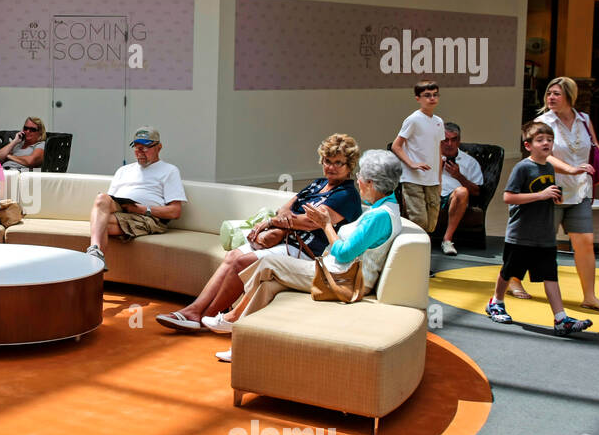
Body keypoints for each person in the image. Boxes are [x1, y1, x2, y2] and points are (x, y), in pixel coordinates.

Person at [204, 149, 404, 360]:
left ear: (371, 182)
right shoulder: (388, 209)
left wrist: (325, 225)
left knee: (268, 263)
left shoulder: (379, 217)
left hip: (341, 280)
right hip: (337, 273)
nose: (358, 181)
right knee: (268, 285)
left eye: (361, 177)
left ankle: (231, 318)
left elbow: (344, 254)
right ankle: (242, 346)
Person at [156, 133, 363, 330]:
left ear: (349, 166)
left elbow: (311, 222)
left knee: (240, 261)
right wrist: (284, 221)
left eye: (338, 163)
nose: (331, 167)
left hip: (307, 251)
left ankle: (204, 316)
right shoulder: (318, 184)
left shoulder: (347, 194)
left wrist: (275, 223)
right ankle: (194, 310)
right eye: (327, 161)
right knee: (232, 256)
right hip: (286, 242)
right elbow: (286, 208)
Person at [514, 76, 599, 313]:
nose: (551, 98)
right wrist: (570, 169)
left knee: (585, 242)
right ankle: (513, 279)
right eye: (549, 93)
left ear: (570, 96)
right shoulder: (542, 121)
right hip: (550, 190)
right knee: (536, 242)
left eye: (557, 94)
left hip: (579, 191)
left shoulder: (584, 119)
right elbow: (543, 156)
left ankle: (589, 296)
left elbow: (596, 147)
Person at [485, 122, 593, 336]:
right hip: (520, 234)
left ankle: (561, 319)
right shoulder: (523, 167)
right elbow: (508, 197)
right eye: (540, 140)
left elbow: (544, 193)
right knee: (509, 271)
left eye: (550, 140)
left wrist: (552, 197)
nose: (546, 143)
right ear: (528, 145)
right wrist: (540, 195)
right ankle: (496, 302)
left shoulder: (549, 167)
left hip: (544, 235)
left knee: (550, 275)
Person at [86, 127, 186, 268]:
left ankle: (93, 264)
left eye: (145, 148)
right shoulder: (123, 170)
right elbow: (107, 204)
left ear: (159, 147)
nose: (140, 153)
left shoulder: (169, 170)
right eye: (137, 148)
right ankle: (95, 252)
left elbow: (175, 211)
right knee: (102, 199)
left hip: (147, 217)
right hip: (122, 209)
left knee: (99, 224)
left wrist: (143, 209)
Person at [391, 80, 444, 234]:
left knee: (432, 222)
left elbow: (438, 151)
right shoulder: (413, 119)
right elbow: (396, 146)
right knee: (419, 220)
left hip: (432, 179)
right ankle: (418, 251)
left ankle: (421, 247)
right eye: (427, 95)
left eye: (435, 95)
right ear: (418, 98)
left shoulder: (438, 121)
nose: (432, 98)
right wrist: (412, 163)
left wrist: (439, 179)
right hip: (413, 178)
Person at [436, 122, 483, 256]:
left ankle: (447, 239)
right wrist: (437, 168)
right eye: (445, 140)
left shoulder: (469, 162)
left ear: (459, 141)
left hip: (453, 198)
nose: (449, 144)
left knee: (462, 191)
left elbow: (477, 192)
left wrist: (459, 176)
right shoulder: (428, 158)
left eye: (454, 139)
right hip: (430, 194)